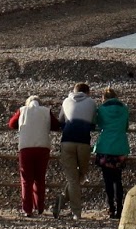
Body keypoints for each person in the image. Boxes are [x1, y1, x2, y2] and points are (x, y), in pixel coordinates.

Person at [8, 94, 58, 217]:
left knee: (26, 179)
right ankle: (39, 207)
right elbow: (56, 125)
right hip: (43, 147)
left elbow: (11, 123)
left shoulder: (22, 110)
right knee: (40, 178)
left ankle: (27, 209)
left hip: (26, 148)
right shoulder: (46, 111)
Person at [56, 83, 96, 219]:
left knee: (73, 179)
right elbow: (94, 121)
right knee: (82, 174)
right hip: (84, 142)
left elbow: (60, 120)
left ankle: (62, 200)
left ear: (74, 91)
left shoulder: (66, 101)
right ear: (87, 92)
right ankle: (76, 212)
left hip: (67, 141)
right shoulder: (91, 102)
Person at [92, 87, 131, 220]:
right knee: (118, 179)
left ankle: (111, 208)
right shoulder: (124, 108)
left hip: (105, 147)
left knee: (107, 179)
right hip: (120, 146)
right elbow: (126, 126)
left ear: (104, 98)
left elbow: (98, 124)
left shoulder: (102, 109)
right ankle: (120, 208)